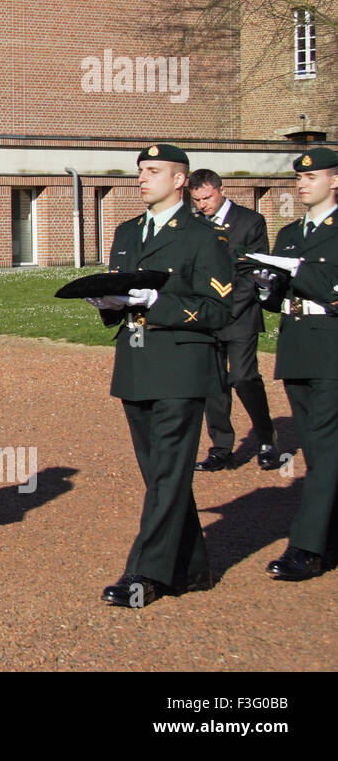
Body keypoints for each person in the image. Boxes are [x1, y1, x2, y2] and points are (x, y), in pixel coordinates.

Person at [85, 144, 231, 608]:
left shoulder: (205, 237)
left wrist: (158, 303)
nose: (142, 179)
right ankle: (192, 568)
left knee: (168, 471)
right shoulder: (128, 232)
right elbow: (118, 291)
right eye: (140, 171)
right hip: (137, 362)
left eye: (153, 171)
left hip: (182, 366)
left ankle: (144, 572)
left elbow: (218, 308)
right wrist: (108, 304)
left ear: (180, 179)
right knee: (161, 475)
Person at [252, 147, 338, 580]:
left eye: (312, 176)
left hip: (332, 347)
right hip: (296, 344)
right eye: (299, 178)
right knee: (322, 449)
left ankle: (305, 547)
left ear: (334, 181)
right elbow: (277, 297)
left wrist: (296, 271)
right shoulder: (287, 233)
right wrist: (265, 285)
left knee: (323, 451)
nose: (302, 183)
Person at [187, 168, 278, 471]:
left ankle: (266, 438)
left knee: (242, 376)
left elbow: (253, 273)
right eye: (197, 199)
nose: (203, 205)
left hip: (239, 313)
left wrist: (226, 309)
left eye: (207, 197)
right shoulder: (194, 225)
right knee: (213, 384)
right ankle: (221, 448)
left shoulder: (250, 221)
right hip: (206, 316)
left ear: (221, 189)